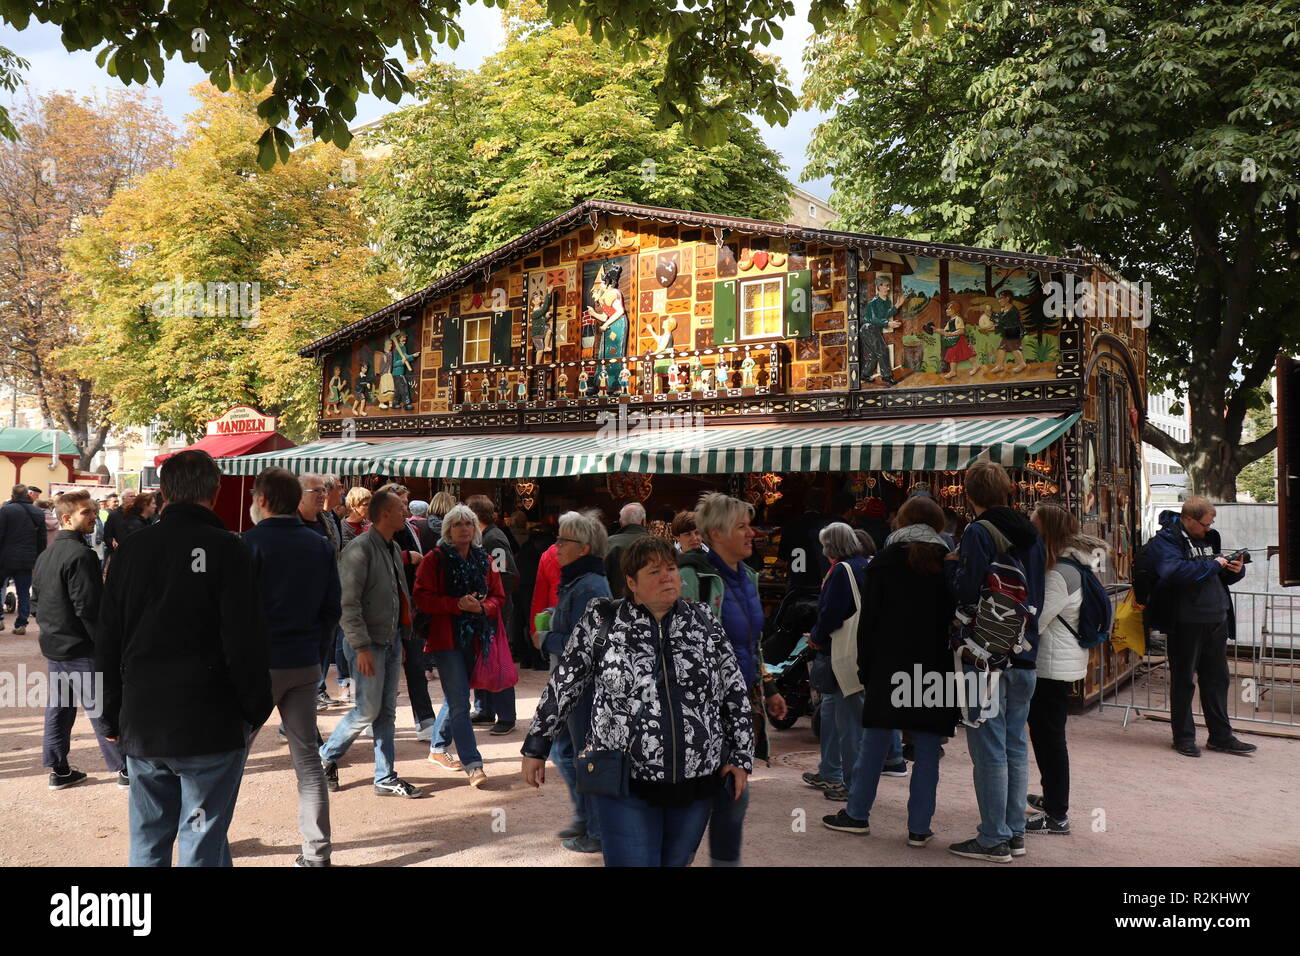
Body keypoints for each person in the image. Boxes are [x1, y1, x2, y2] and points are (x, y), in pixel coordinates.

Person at [522, 535, 754, 867]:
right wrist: (536, 745)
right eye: (654, 571)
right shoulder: (602, 619)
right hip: (623, 780)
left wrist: (741, 754)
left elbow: (734, 689)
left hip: (695, 781)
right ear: (631, 582)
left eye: (671, 569)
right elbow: (565, 682)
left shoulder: (702, 621)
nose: (667, 577)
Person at [97, 451, 273, 866]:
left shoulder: (132, 550)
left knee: (150, 839)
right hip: (209, 721)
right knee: (200, 841)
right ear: (215, 491)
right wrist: (254, 710)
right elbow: (246, 640)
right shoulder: (229, 549)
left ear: (164, 492)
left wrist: (108, 714)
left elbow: (107, 640)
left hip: (145, 719)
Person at [823, 496, 957, 844]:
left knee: (875, 741)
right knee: (927, 749)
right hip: (934, 666)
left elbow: (869, 622)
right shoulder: (948, 562)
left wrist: (865, 667)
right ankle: (919, 827)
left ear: (902, 520)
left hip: (888, 662)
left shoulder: (883, 561)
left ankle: (857, 814)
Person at [946, 460, 1045, 864]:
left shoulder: (976, 532)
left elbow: (967, 592)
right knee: (1016, 745)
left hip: (985, 654)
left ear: (969, 495)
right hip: (1025, 650)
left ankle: (992, 838)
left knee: (988, 748)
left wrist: (952, 570)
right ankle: (1014, 831)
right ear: (1008, 490)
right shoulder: (1032, 535)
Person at [243, 468, 341, 866]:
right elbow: (331, 609)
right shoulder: (318, 545)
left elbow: (234, 613)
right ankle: (317, 853)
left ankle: (211, 840)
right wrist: (315, 653)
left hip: (259, 666)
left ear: (263, 499)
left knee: (232, 758)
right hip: (303, 662)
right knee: (307, 761)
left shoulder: (247, 544)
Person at [694, 491, 788, 865]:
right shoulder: (695, 577)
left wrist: (768, 687)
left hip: (741, 705)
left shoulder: (748, 576)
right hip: (706, 709)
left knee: (734, 793)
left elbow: (754, 642)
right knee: (703, 799)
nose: (753, 533)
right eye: (743, 526)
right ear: (716, 533)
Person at [319, 489, 422, 798]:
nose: (404, 512)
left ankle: (385, 776)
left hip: (388, 642)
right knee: (366, 711)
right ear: (384, 514)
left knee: (385, 712)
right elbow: (347, 604)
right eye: (399, 508)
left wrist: (401, 638)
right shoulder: (360, 550)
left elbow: (396, 596)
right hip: (370, 645)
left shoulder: (390, 548)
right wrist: (361, 646)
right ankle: (324, 755)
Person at [1144, 497, 1254, 758]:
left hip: (1216, 616)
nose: (1209, 528)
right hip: (1185, 620)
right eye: (1205, 523)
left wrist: (1234, 569)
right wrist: (1213, 564)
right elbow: (1174, 572)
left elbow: (1214, 573)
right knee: (1183, 681)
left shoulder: (1208, 537)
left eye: (1211, 524)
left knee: (1217, 680)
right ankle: (1183, 737)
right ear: (1189, 519)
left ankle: (1221, 736)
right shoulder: (1166, 541)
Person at [32, 490, 126, 790]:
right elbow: (88, 607)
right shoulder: (81, 555)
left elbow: (36, 603)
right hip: (78, 646)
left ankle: (59, 769)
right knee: (99, 705)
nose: (94, 516)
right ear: (66, 518)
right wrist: (106, 646)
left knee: (59, 709)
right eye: (87, 512)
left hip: (56, 645)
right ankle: (125, 769)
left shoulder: (48, 555)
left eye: (93, 510)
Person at [1024, 504, 1109, 836]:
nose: (1030, 529)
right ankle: (1053, 800)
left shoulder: (1060, 572)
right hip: (1060, 661)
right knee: (1048, 736)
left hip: (1051, 666)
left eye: (1034, 524)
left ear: (1048, 530)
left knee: (1049, 739)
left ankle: (1057, 814)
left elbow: (1037, 620)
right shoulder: (1073, 565)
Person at [532, 509, 611, 853]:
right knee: (566, 751)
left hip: (584, 687)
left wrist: (546, 639)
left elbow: (588, 646)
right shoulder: (579, 581)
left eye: (564, 540)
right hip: (572, 685)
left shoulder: (591, 585)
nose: (557, 546)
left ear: (584, 547)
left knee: (582, 755)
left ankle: (596, 831)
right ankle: (586, 817)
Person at [413, 504, 503, 787]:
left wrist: (482, 608)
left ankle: (438, 747)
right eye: (457, 524)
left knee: (458, 696)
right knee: (461, 701)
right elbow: (421, 597)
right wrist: (455, 604)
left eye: (468, 523)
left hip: (476, 637)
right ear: (448, 529)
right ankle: (473, 764)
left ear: (475, 528)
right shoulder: (434, 559)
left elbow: (499, 597)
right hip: (445, 638)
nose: (463, 528)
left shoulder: (485, 559)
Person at [802, 522, 884, 802]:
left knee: (848, 724)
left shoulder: (841, 571)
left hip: (845, 653)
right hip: (865, 650)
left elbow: (830, 613)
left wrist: (815, 636)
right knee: (845, 716)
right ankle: (838, 774)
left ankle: (852, 784)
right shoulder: (866, 565)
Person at [0, 482, 48, 636]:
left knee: (0, 588)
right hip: (27, 559)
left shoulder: (5, 510)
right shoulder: (38, 513)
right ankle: (21, 624)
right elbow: (42, 540)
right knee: (23, 592)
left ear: (13, 495)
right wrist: (38, 560)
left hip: (5, 558)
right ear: (27, 495)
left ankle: (0, 619)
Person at [604, 502, 648, 598]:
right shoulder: (658, 544)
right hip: (650, 606)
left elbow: (602, 578)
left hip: (616, 605)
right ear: (643, 521)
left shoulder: (609, 543)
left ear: (620, 523)